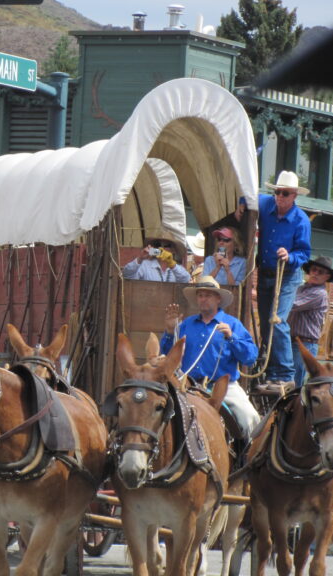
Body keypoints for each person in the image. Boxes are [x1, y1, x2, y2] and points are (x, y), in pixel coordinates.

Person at [236, 170, 311, 389]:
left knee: (277, 321)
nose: (279, 196)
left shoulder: (301, 221)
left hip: (286, 276)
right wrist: (241, 204)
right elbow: (248, 195)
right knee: (267, 324)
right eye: (277, 192)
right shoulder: (266, 203)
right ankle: (272, 372)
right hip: (266, 273)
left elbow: (304, 254)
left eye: (285, 193)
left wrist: (289, 256)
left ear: (294, 195)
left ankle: (286, 373)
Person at [161, 276, 260, 439]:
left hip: (224, 387)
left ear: (218, 299)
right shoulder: (186, 324)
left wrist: (232, 337)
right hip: (188, 385)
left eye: (208, 295)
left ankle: (248, 454)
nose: (203, 299)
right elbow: (167, 356)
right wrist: (170, 332)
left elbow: (250, 358)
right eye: (200, 295)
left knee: (250, 419)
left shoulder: (233, 324)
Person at [288, 255, 333, 388]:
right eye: (314, 269)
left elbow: (291, 304)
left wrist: (264, 296)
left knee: (293, 384)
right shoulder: (301, 288)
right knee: (286, 380)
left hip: (304, 344)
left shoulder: (319, 293)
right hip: (293, 342)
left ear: (327, 277)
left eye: (320, 272)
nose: (315, 273)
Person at [122, 234, 191, 282]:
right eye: (158, 245)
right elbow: (127, 275)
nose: (161, 248)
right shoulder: (145, 265)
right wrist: (140, 258)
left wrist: (172, 264)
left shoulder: (177, 268)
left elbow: (186, 279)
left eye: (167, 245)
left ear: (173, 250)